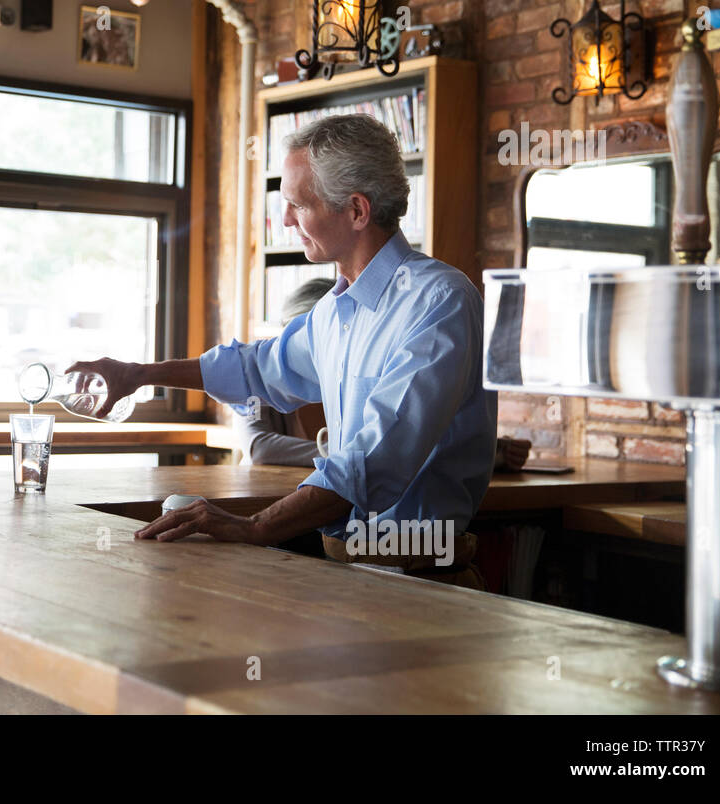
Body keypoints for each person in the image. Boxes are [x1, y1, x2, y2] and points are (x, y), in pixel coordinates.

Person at [72, 114, 499, 583]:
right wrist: (139, 374)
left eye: (298, 204)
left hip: (424, 581)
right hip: (354, 571)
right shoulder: (333, 311)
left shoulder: (438, 301)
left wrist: (255, 526)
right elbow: (257, 370)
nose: (287, 219)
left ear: (357, 211)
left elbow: (373, 462)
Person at [237, 279, 532, 473]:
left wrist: (494, 451)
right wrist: (349, 457)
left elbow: (406, 438)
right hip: (272, 507)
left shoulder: (357, 374)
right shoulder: (256, 377)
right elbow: (259, 447)